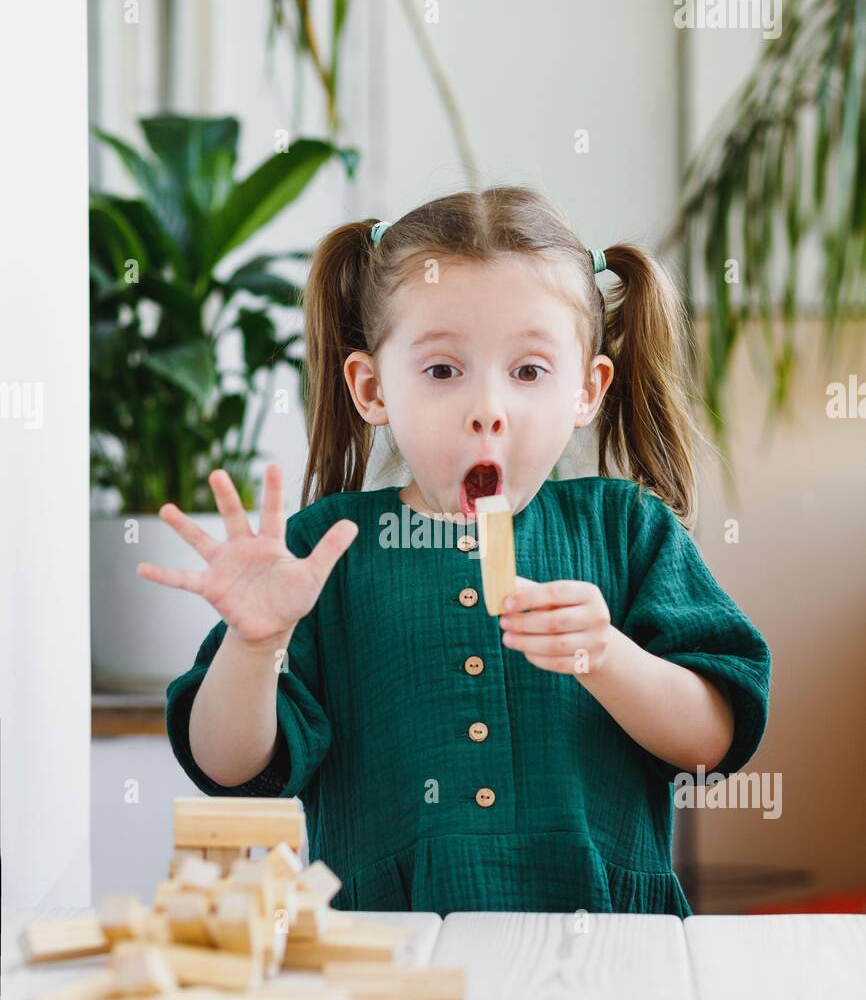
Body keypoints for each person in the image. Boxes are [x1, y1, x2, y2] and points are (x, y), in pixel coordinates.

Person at [139, 185, 771, 916]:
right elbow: (228, 767)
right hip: (393, 961)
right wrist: (255, 645)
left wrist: (607, 656)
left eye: (529, 371)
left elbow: (712, 745)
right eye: (443, 371)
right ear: (372, 389)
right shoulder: (322, 554)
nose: (488, 410)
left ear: (587, 390)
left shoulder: (628, 529)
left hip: (612, 957)